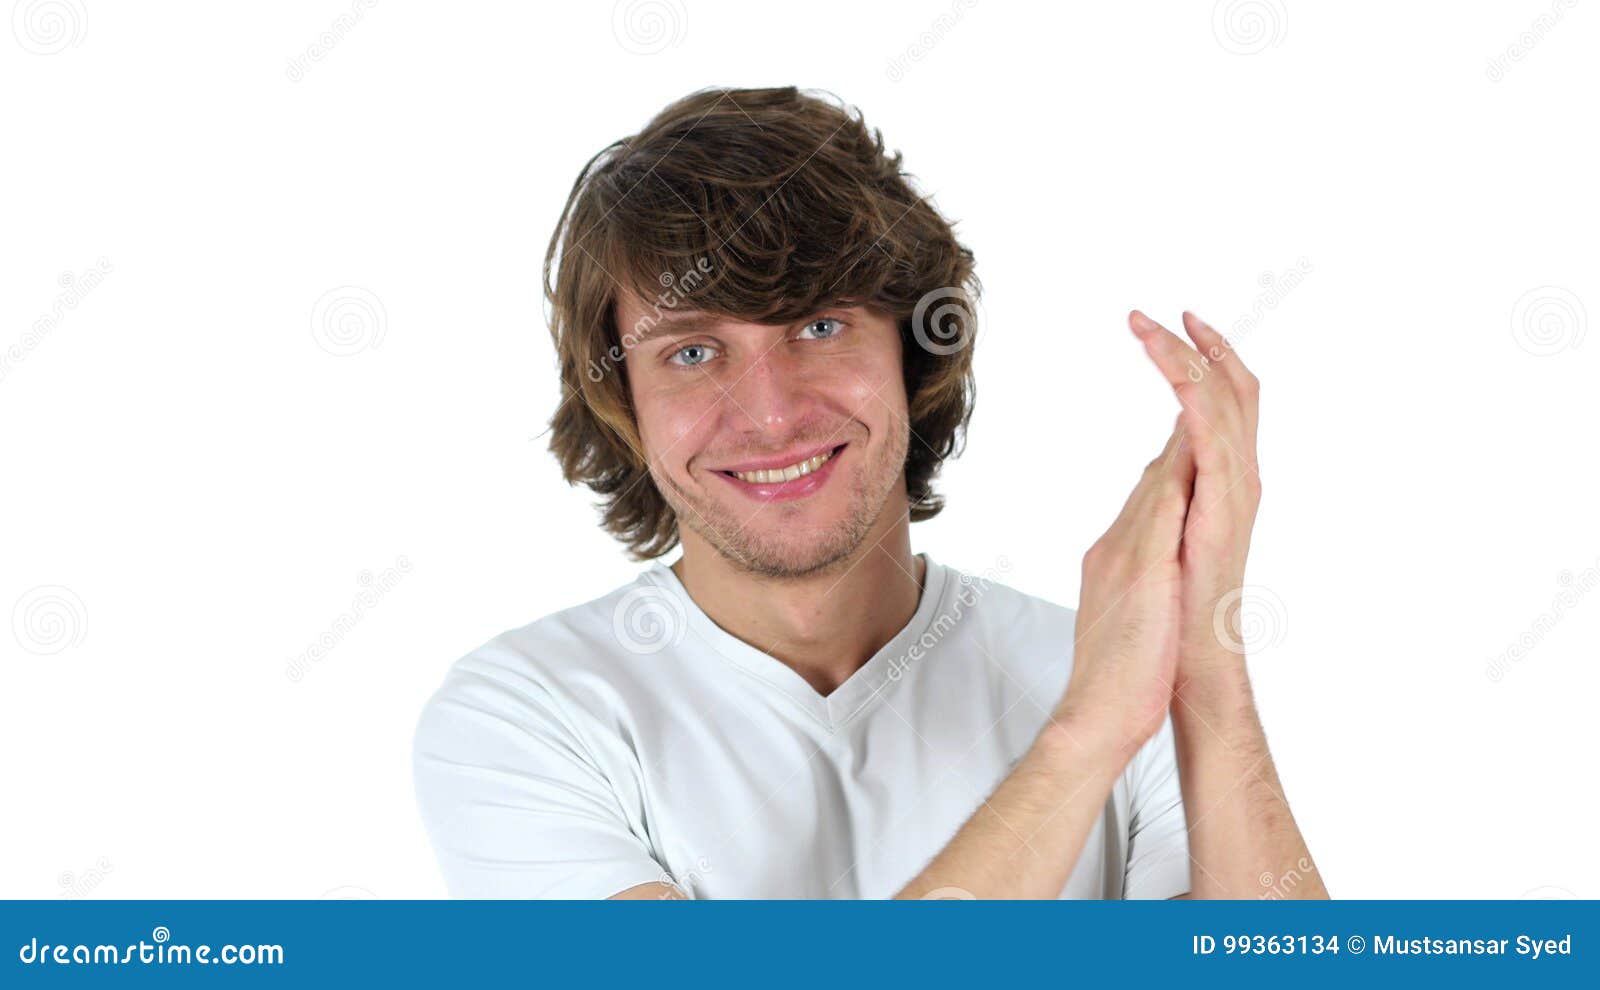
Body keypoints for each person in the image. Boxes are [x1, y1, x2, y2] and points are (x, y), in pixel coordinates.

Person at [412, 86, 1325, 900]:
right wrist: (1086, 735)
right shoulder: (527, 714)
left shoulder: (1118, 671)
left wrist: (1201, 665)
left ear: (910, 352)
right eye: (692, 352)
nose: (771, 414)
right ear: (624, 400)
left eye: (818, 327)